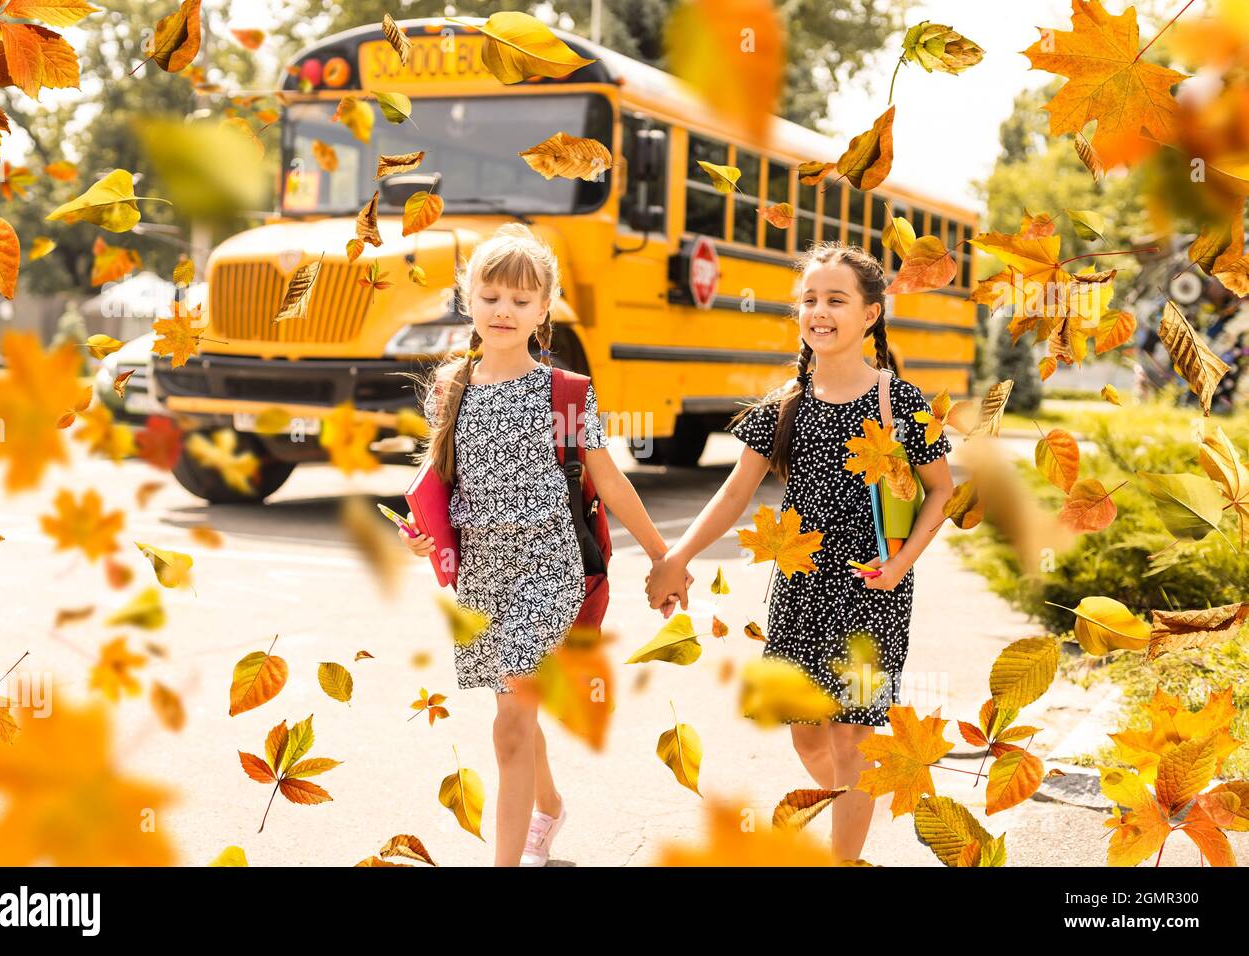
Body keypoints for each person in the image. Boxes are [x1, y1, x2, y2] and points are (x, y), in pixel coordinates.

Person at [646, 240, 955, 863]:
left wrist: (899, 565)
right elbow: (735, 493)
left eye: (836, 299)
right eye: (809, 299)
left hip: (873, 590)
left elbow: (942, 491)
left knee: (853, 740)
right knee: (810, 741)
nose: (819, 310)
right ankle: (844, 803)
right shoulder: (785, 404)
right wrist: (677, 557)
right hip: (799, 588)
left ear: (870, 314)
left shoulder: (903, 404)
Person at [400, 223, 674, 866]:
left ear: (544, 309)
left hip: (549, 574)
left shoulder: (564, 392)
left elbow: (607, 477)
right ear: (469, 298)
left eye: (522, 301)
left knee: (509, 722)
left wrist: (664, 555)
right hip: (482, 578)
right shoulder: (451, 387)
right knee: (516, 712)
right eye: (491, 296)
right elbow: (442, 479)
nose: (504, 311)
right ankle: (547, 808)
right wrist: (422, 535)